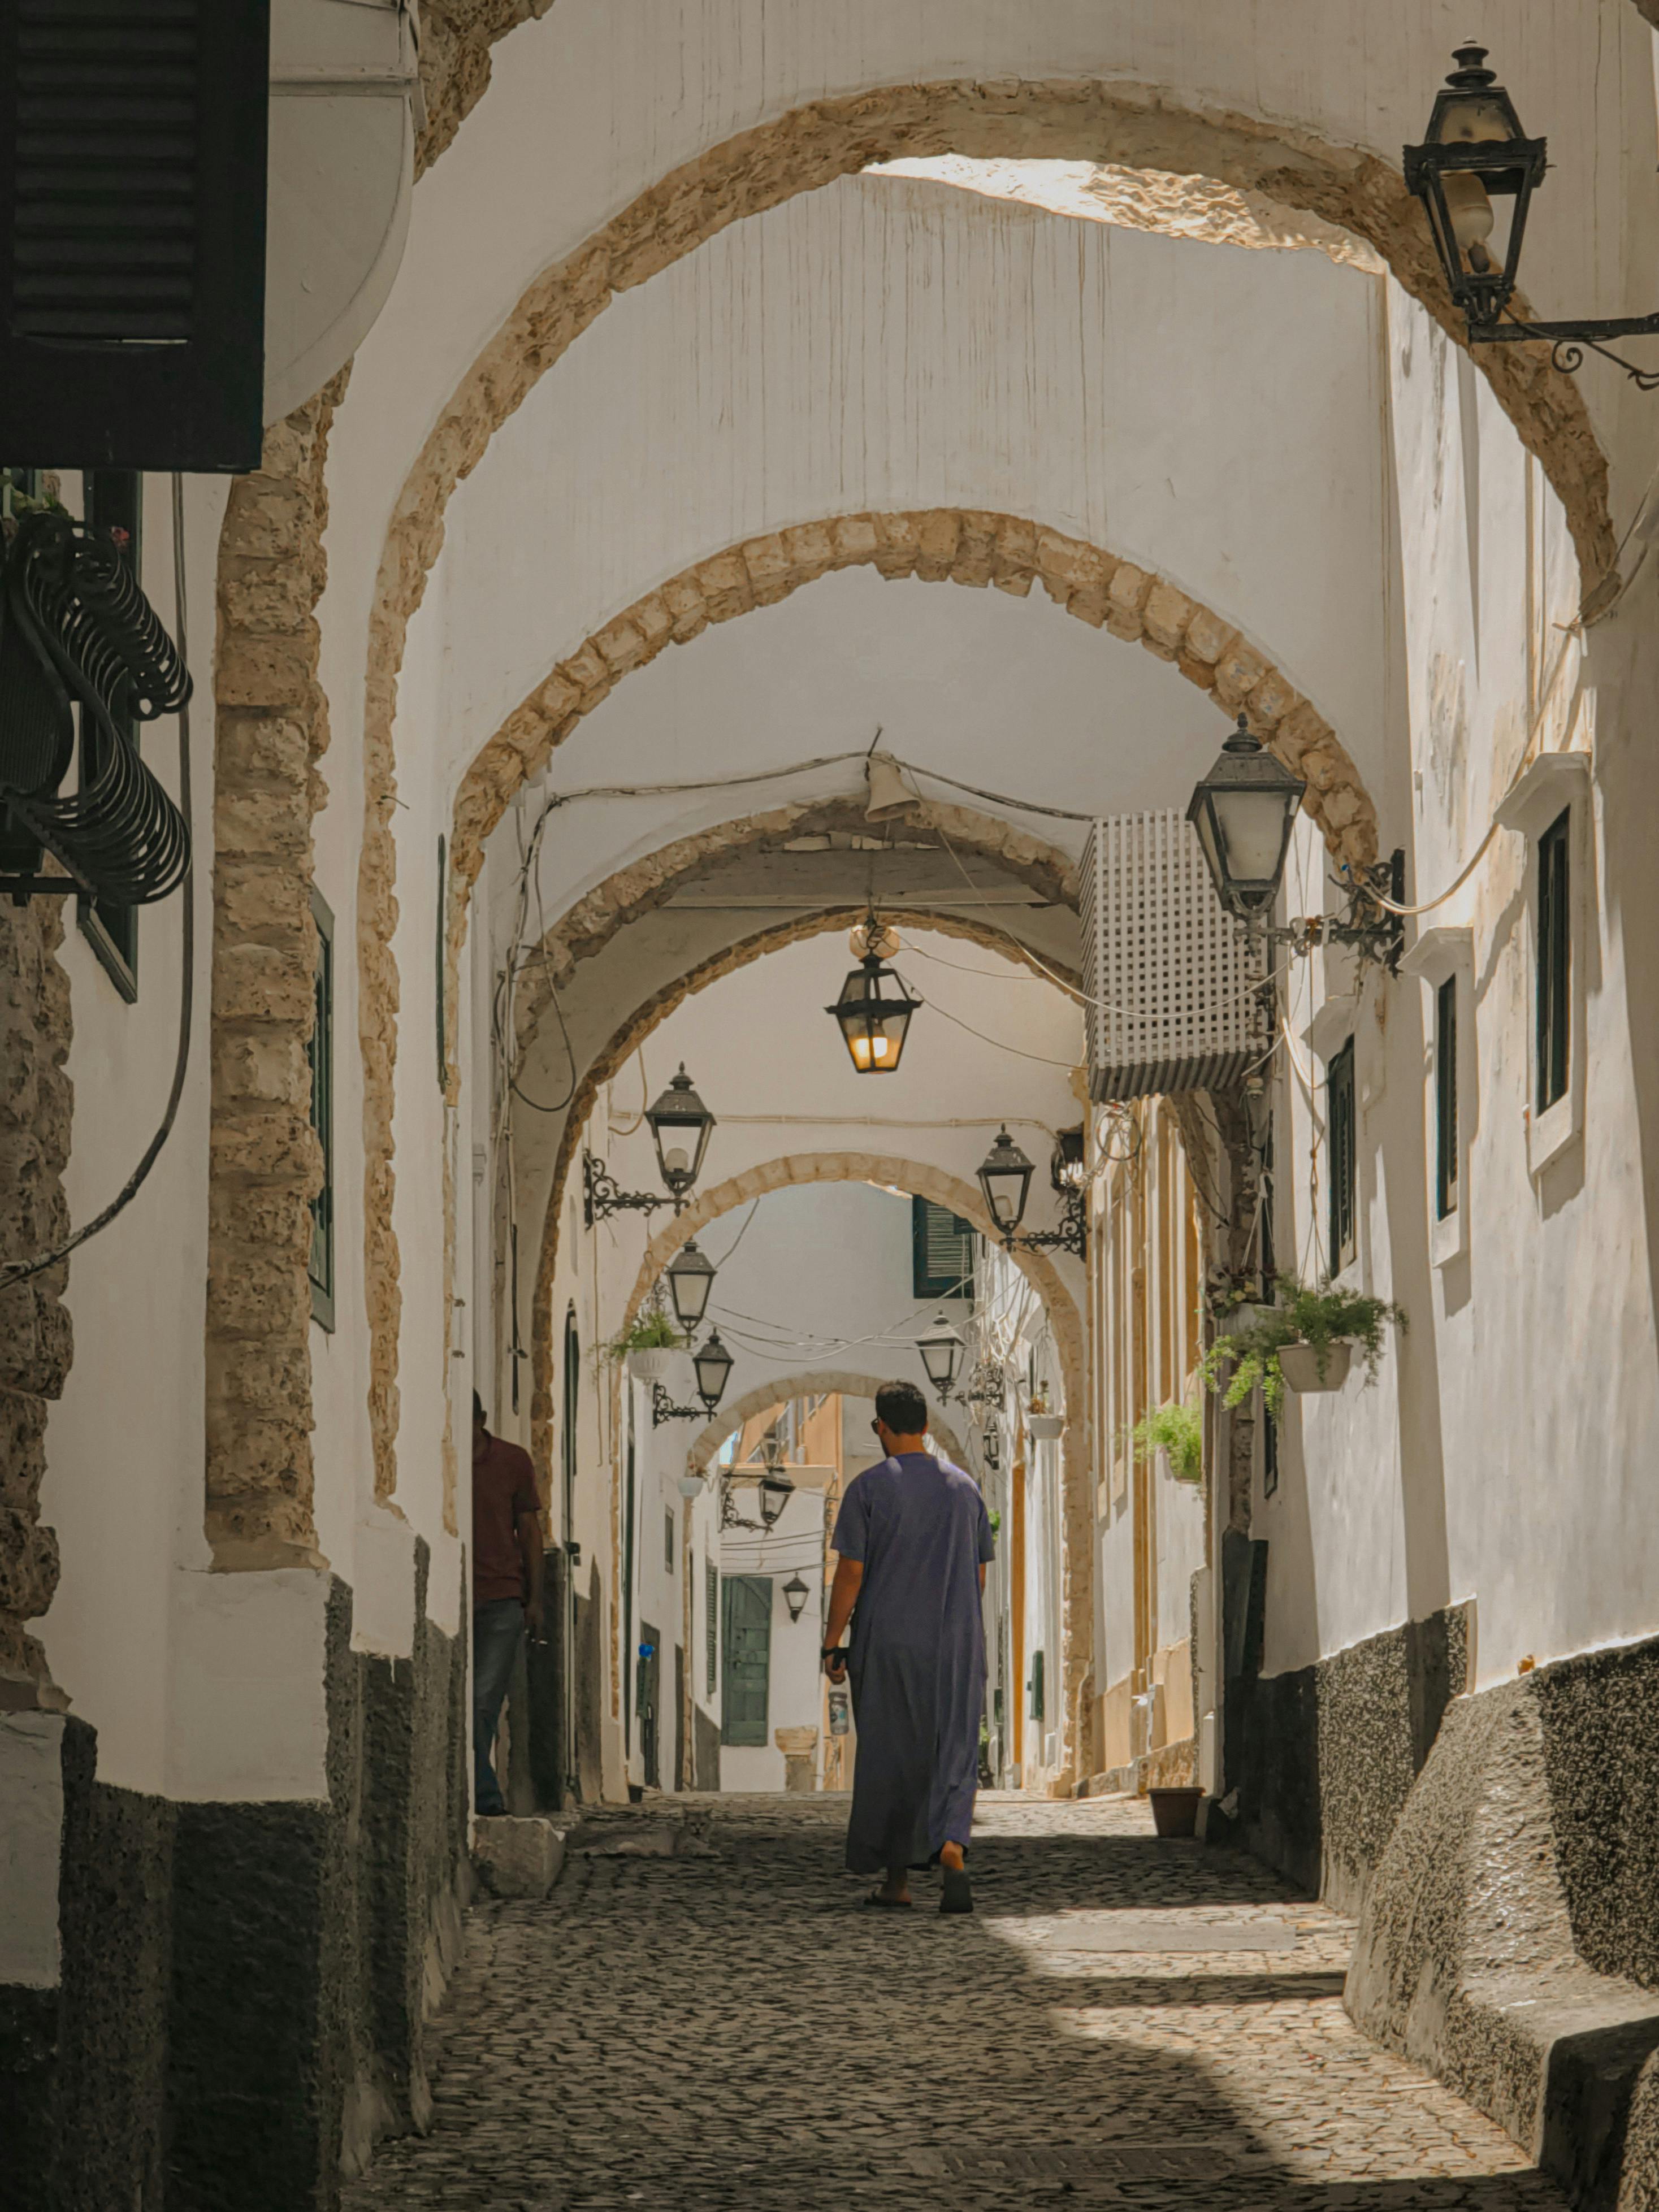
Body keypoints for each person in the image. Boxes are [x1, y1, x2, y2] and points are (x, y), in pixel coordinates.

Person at [822, 1379, 995, 1914]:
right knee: (954, 1748)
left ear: (880, 1427)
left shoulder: (869, 1488)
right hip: (957, 1643)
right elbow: (979, 1576)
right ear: (925, 1425)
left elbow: (851, 1572)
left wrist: (832, 1643)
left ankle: (897, 1883)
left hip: (889, 1642)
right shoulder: (965, 1489)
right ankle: (950, 1846)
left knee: (893, 1755)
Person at [471, 1390, 544, 1817]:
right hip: (460, 1596)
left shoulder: (513, 1461)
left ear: (482, 1418)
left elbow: (530, 1532)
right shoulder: (444, 1456)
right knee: (473, 1704)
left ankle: (484, 1798)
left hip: (501, 1600)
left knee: (483, 1701)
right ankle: (485, 1795)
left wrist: (535, 1601)